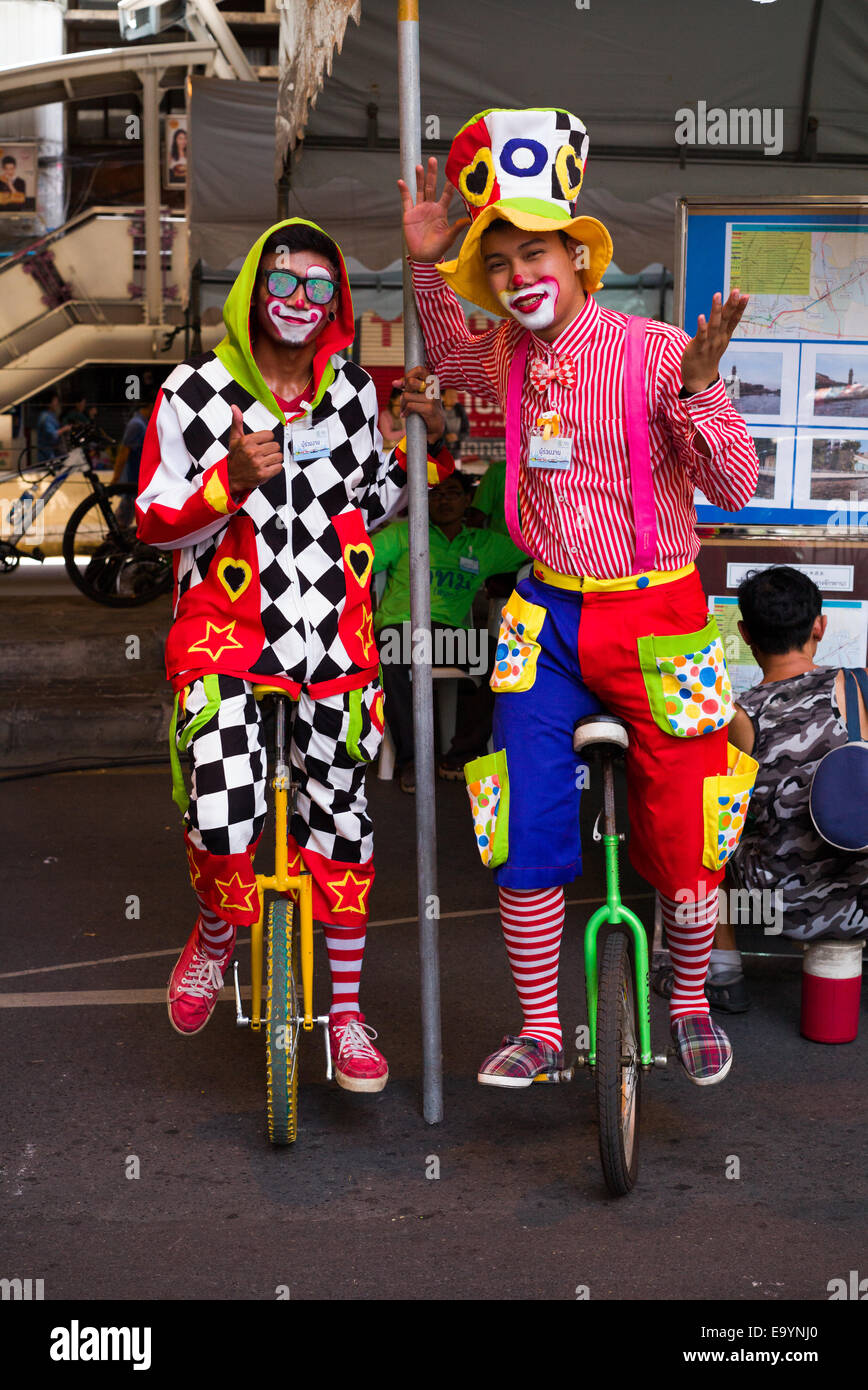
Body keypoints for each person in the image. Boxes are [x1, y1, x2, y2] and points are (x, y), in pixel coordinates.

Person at [399, 106, 760, 1088]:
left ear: (578, 258)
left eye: (535, 254)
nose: (519, 276)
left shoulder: (649, 349)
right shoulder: (507, 359)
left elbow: (735, 485)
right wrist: (432, 261)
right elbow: (447, 346)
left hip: (661, 615)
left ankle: (684, 1001)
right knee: (518, 812)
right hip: (547, 618)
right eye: (503, 261)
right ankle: (543, 1030)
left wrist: (698, 387)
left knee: (687, 829)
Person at [136, 217, 452, 1091]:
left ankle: (346, 1016)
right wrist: (226, 482)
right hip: (226, 642)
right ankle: (213, 933)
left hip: (331, 643)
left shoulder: (349, 392)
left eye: (321, 286)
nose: (301, 300)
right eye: (285, 281)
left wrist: (410, 439)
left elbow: (369, 503)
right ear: (252, 291)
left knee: (341, 828)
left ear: (340, 300)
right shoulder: (195, 392)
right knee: (220, 816)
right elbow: (154, 525)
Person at [673, 567, 867, 1006]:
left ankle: (722, 971)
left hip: (778, 910)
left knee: (701, 829)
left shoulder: (734, 719)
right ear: (820, 625)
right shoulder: (861, 686)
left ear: (743, 633)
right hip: (863, 900)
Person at [373, 471, 525, 791]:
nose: (443, 499)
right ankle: (412, 760)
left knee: (507, 658)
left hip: (447, 636)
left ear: (467, 500)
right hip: (401, 629)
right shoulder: (403, 535)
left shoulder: (483, 544)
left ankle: (462, 754)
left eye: (452, 492)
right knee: (391, 663)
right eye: (435, 493)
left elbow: (536, 555)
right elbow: (359, 561)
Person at [112, 402, 153, 526]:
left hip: (139, 482)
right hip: (132, 481)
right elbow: (123, 453)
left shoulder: (143, 423)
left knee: (126, 519)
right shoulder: (136, 425)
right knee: (122, 521)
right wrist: (115, 479)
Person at [36, 393, 70, 463]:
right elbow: (52, 434)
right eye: (55, 401)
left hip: (53, 454)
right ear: (49, 403)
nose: (57, 403)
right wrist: (65, 429)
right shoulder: (45, 417)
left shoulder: (51, 415)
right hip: (47, 455)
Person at [442, 386, 470, 459]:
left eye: (455, 396)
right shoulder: (438, 410)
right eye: (450, 396)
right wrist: (445, 437)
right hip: (440, 451)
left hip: (456, 452)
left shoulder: (460, 410)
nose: (454, 398)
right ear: (443, 397)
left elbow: (466, 431)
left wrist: (457, 437)